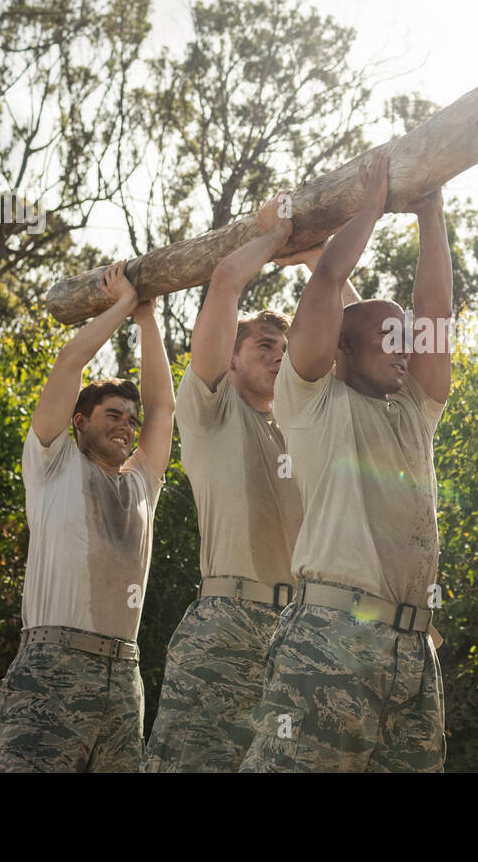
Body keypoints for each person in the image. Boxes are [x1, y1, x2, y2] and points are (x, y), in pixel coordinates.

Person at [239, 153, 454, 772]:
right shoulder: (309, 400)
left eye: (405, 338)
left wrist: (431, 214)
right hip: (331, 639)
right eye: (389, 337)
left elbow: (437, 317)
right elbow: (329, 284)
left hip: (414, 650)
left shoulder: (414, 409)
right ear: (342, 346)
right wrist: (372, 203)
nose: (405, 347)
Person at [144, 191, 358, 771]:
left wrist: (320, 263)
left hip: (301, 633)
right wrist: (274, 237)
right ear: (232, 358)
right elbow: (223, 281)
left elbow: (359, 348)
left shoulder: (301, 424)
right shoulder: (211, 410)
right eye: (265, 346)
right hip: (227, 626)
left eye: (285, 350)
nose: (278, 357)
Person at [0, 261, 175, 772]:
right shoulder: (53, 462)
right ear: (79, 422)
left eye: (129, 420)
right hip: (51, 668)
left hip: (124, 679)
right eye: (113, 415)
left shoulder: (141, 483)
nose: (126, 427)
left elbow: (163, 411)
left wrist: (147, 318)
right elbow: (70, 363)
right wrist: (119, 305)